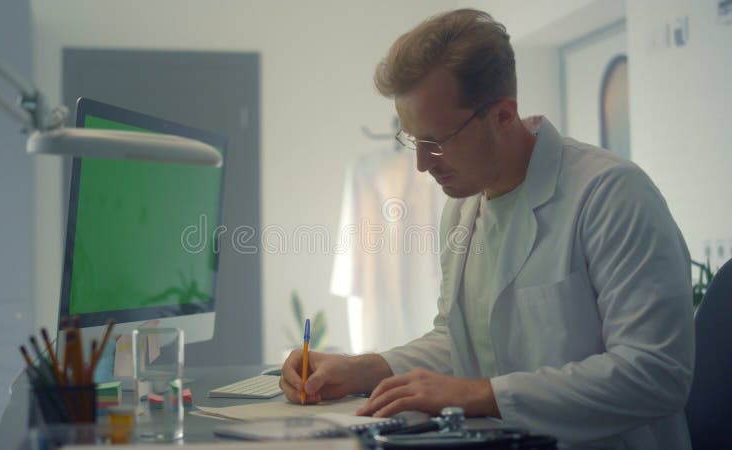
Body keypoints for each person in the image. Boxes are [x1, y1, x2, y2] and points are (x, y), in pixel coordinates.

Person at [280, 8, 694, 449]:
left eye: (436, 142)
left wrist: (483, 394)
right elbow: (459, 342)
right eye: (413, 142)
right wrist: (368, 368)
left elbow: (655, 373)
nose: (421, 165)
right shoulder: (463, 210)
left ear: (503, 114)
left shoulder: (610, 194)